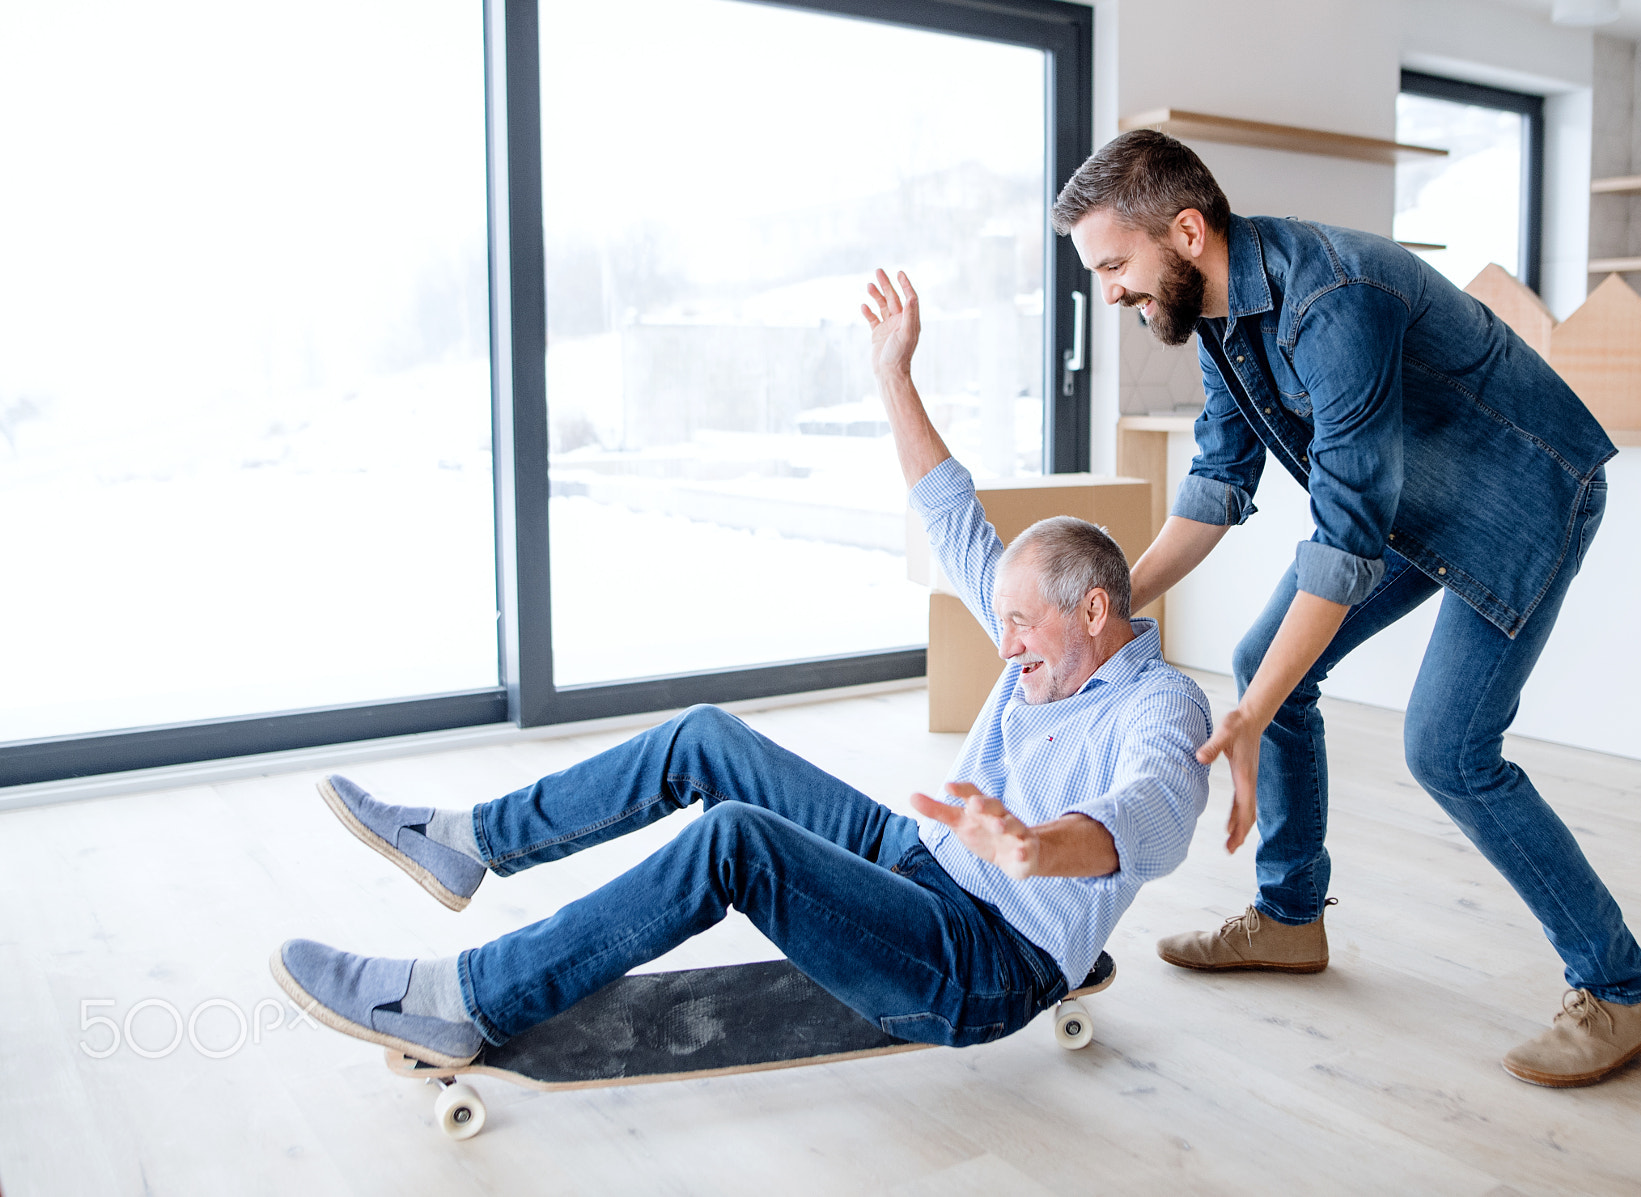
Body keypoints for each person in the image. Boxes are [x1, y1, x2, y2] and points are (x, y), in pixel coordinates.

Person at [269, 267, 1210, 1067]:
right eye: (999, 617)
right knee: (703, 739)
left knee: (738, 840)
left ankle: (465, 1000)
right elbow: (949, 510)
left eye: (1018, 624)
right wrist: (892, 372)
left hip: (984, 954)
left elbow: (1153, 817)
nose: (1002, 647)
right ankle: (473, 839)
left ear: (1094, 610)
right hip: (922, 858)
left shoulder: (1161, 707)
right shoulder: (1042, 630)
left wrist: (1043, 848)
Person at [1054, 129, 1641, 1088]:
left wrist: (1255, 710)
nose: (1110, 292)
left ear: (1183, 231)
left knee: (1449, 748)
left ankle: (1621, 987)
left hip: (1523, 491)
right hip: (1410, 502)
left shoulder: (1332, 302)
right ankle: (1292, 919)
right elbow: (1219, 479)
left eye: (1114, 265)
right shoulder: (1216, 312)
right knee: (1273, 662)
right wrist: (1101, 608)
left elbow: (1342, 542)